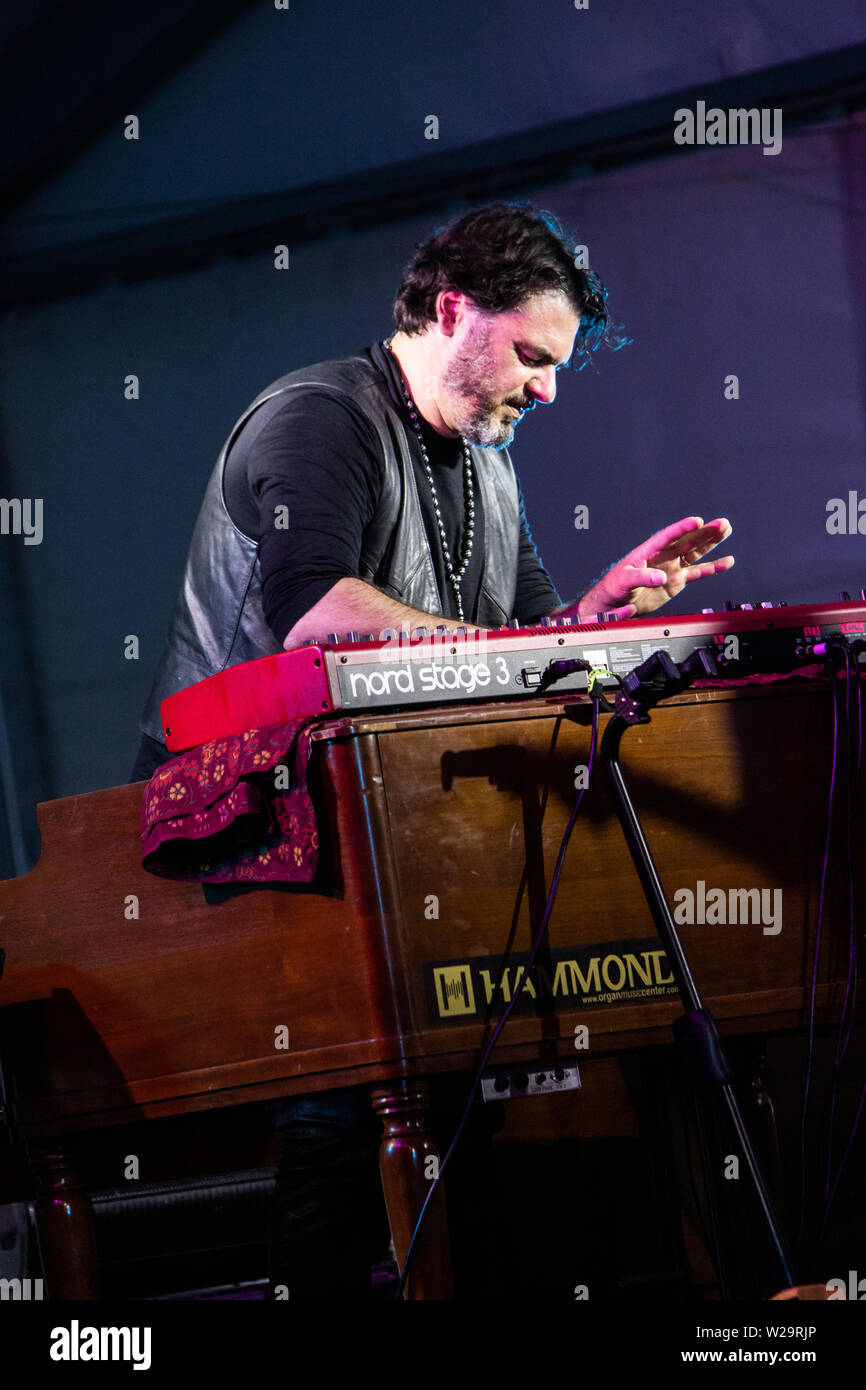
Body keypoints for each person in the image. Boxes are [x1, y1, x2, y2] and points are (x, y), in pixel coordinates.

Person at [130, 200, 733, 1298]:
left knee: (470, 1105)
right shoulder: (320, 416)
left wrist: (607, 606)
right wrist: (514, 648)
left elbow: (532, 646)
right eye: (531, 356)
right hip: (241, 833)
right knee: (337, 1114)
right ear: (453, 310)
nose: (547, 387)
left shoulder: (485, 456)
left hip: (378, 832)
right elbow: (314, 609)